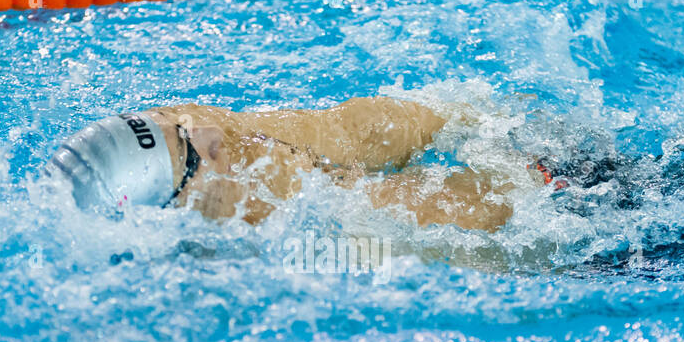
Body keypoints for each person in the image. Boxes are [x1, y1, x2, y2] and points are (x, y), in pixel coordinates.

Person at [45, 97, 598, 232]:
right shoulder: (333, 229)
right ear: (180, 208)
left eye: (178, 123)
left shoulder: (234, 140)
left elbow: (361, 127)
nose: (208, 134)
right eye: (189, 150)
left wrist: (495, 126)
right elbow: (520, 212)